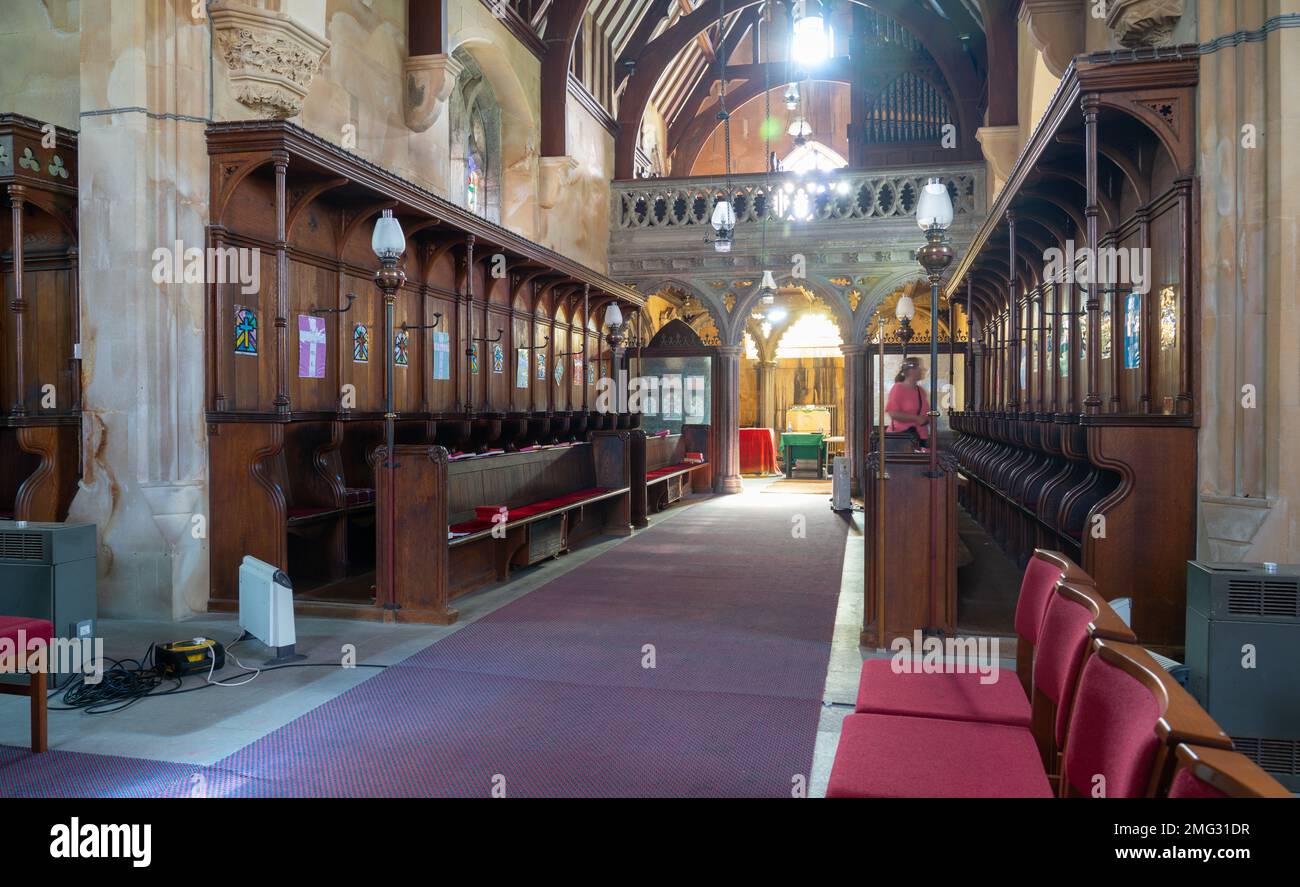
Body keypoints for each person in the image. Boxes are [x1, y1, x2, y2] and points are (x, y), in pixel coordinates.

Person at [886, 357, 931, 445]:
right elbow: (893, 413)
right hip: (903, 438)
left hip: (920, 437)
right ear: (911, 370)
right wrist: (917, 418)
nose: (923, 370)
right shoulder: (898, 388)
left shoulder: (920, 390)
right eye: (920, 367)